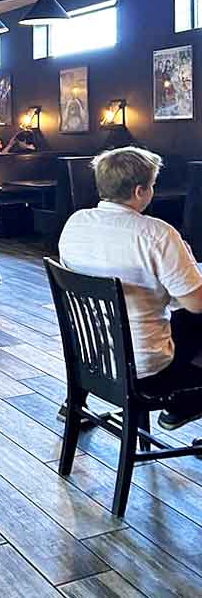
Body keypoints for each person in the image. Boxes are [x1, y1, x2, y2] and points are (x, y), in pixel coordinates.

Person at [59, 146, 202, 430]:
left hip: (93, 359)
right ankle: (184, 402)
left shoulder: (76, 223)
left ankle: (183, 405)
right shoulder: (155, 233)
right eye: (152, 185)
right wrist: (185, 264)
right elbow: (196, 304)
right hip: (147, 369)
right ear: (139, 191)